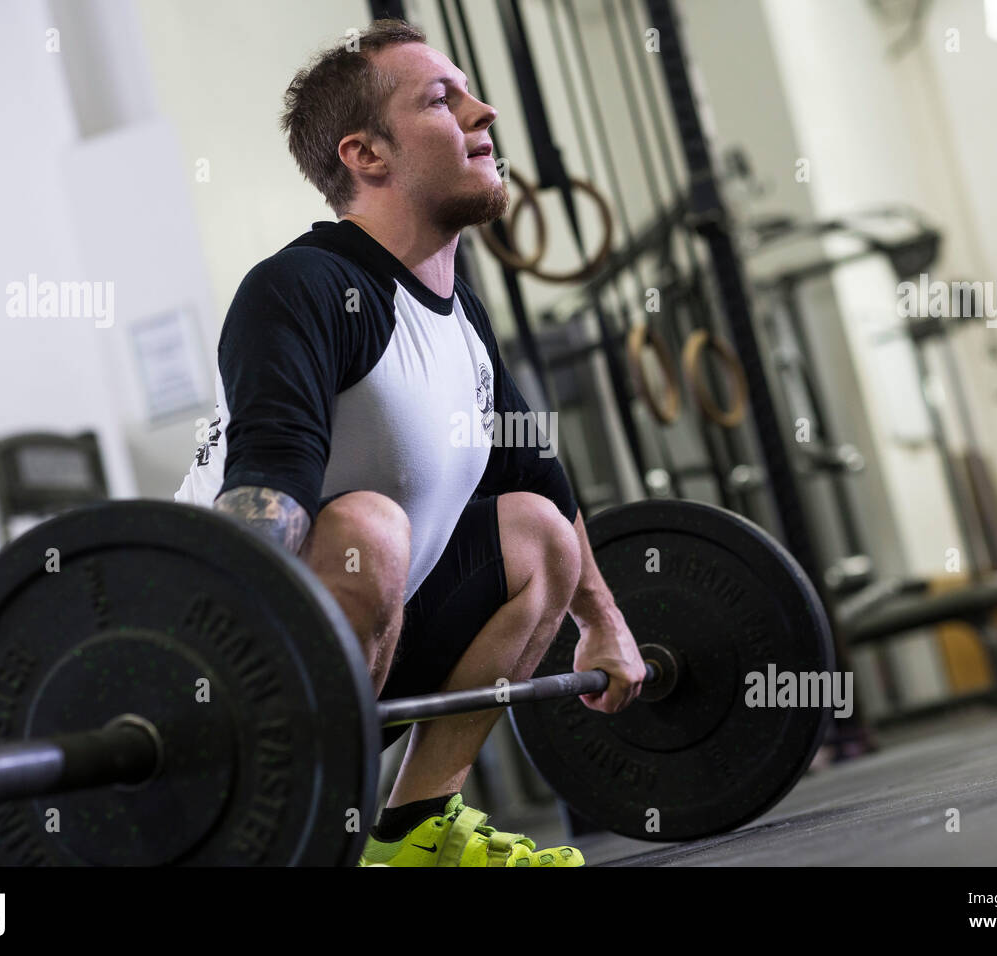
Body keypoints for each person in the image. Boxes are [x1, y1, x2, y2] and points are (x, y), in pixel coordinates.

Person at [174, 18, 645, 867]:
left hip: (359, 648)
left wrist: (604, 626)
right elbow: (269, 478)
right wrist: (229, 681)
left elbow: (540, 475)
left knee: (537, 530)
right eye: (442, 99)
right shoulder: (303, 287)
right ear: (367, 155)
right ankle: (304, 837)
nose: (484, 112)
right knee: (366, 527)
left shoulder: (461, 311)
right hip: (218, 664)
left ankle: (413, 832)